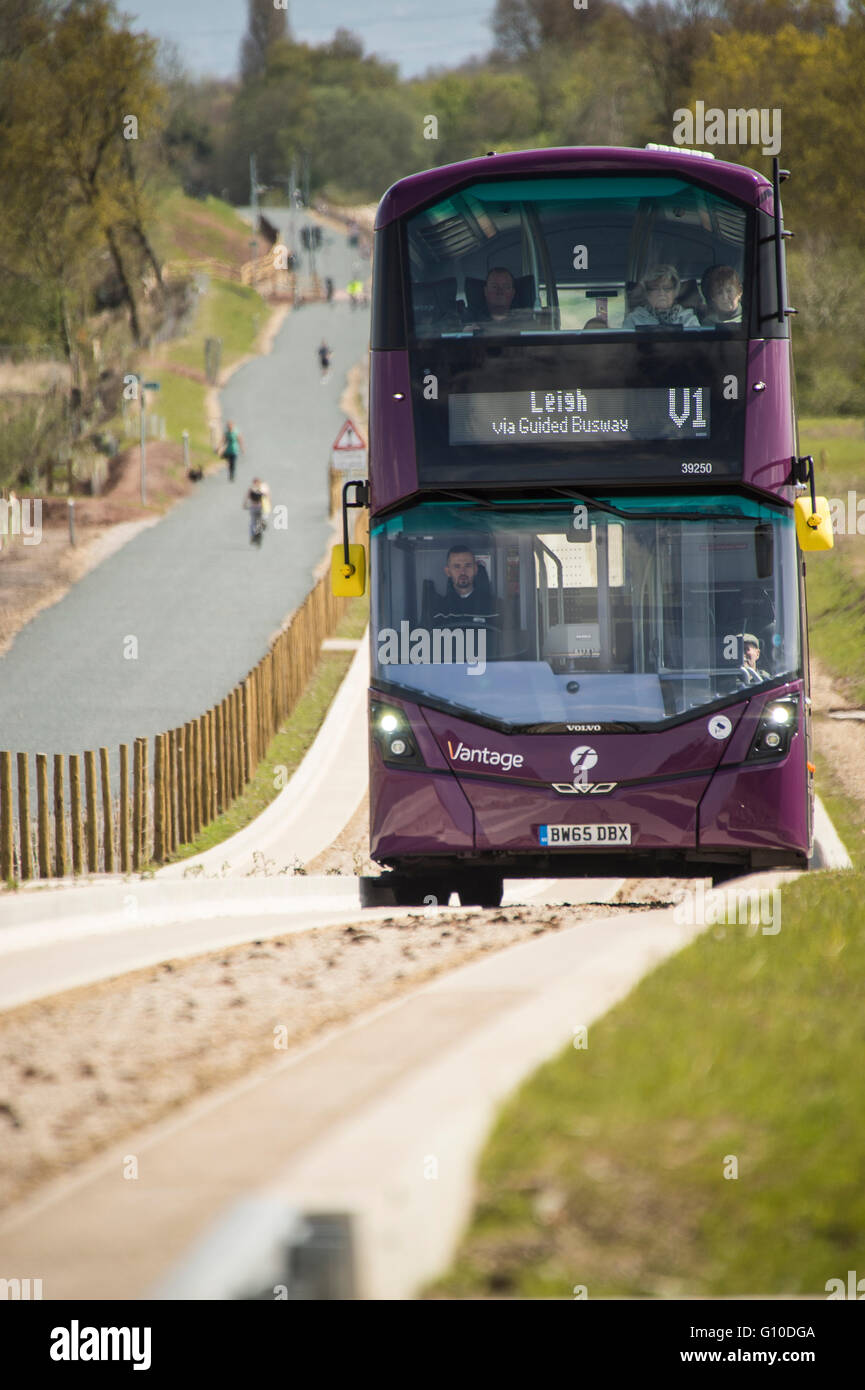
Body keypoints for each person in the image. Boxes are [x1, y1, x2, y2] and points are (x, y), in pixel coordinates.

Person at [423, 545, 498, 626]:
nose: (462, 572)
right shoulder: (437, 611)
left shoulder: (496, 609)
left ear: (475, 569)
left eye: (468, 566)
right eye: (457, 566)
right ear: (448, 572)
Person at [623, 265, 701, 330]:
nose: (661, 293)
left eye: (667, 288)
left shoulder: (688, 319)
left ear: (675, 292)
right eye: (655, 288)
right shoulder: (633, 320)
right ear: (647, 294)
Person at [243, 476, 271, 546]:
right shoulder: (262, 489)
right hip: (259, 508)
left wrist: (245, 505)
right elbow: (267, 497)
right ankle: (259, 529)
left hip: (256, 508)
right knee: (256, 521)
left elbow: (247, 497)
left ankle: (253, 535)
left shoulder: (252, 489)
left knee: (253, 522)